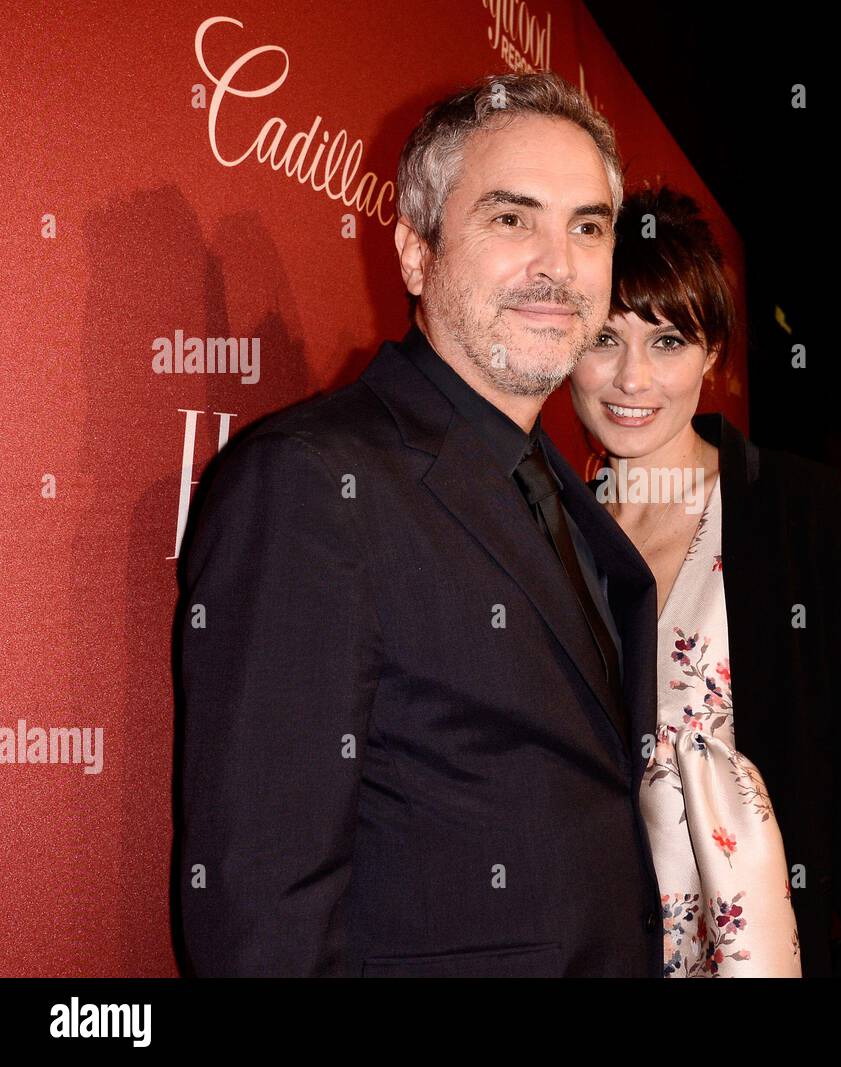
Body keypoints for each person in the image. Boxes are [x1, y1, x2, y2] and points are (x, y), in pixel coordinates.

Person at [178, 72, 665, 977]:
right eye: (512, 218)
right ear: (413, 250)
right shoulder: (312, 485)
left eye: (588, 226)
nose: (558, 264)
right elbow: (261, 910)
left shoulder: (558, 491)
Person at [568, 186, 841, 977]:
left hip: (757, 941)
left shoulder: (803, 511)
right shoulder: (544, 525)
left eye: (668, 341)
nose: (630, 379)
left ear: (714, 350)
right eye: (604, 337)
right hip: (591, 936)